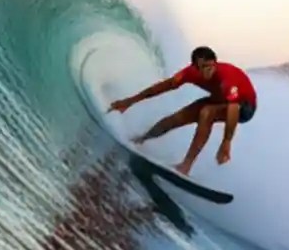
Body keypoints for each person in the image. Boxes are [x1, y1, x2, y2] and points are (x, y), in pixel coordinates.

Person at [108, 46, 258, 175]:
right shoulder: (189, 73)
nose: (208, 71)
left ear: (215, 63)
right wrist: (129, 101)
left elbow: (233, 107)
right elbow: (164, 86)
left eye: (210, 66)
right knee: (175, 119)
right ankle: (141, 139)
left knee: (207, 112)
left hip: (244, 106)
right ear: (195, 67)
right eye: (203, 67)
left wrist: (226, 141)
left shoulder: (227, 76)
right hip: (219, 101)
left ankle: (186, 166)